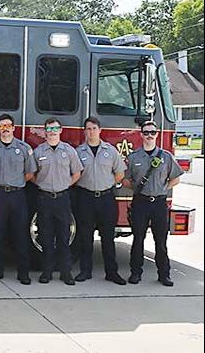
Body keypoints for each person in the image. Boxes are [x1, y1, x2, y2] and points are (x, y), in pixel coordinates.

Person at [123, 120, 183, 287]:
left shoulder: (166, 157)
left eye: (152, 132)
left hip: (159, 203)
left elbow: (176, 178)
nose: (149, 135)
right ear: (141, 135)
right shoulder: (133, 157)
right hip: (140, 203)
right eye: (146, 132)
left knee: (161, 241)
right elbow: (125, 179)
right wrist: (135, 187)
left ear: (157, 135)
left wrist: (163, 188)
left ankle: (164, 275)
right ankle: (135, 273)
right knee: (138, 240)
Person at [74, 116, 127, 285]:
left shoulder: (110, 151)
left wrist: (109, 183)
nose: (91, 132)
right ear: (85, 132)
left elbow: (119, 173)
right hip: (85, 198)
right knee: (85, 236)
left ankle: (111, 273)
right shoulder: (78, 152)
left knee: (108, 237)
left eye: (94, 128)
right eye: (88, 129)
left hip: (106, 198)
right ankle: (85, 271)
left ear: (100, 130)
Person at [0, 114, 35, 285]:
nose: (5, 129)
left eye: (8, 125)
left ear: (14, 128)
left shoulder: (24, 148)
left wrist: (16, 183)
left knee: (20, 234)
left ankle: (23, 273)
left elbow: (29, 173)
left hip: (18, 195)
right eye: (2, 126)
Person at [31, 117, 83, 285]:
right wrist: (41, 183)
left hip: (62, 198)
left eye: (55, 129)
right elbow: (31, 174)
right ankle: (47, 272)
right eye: (49, 129)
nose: (52, 132)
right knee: (46, 236)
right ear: (45, 132)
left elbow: (77, 173)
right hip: (44, 198)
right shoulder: (38, 152)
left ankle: (65, 273)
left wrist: (66, 184)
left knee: (64, 236)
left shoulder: (68, 151)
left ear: (60, 130)